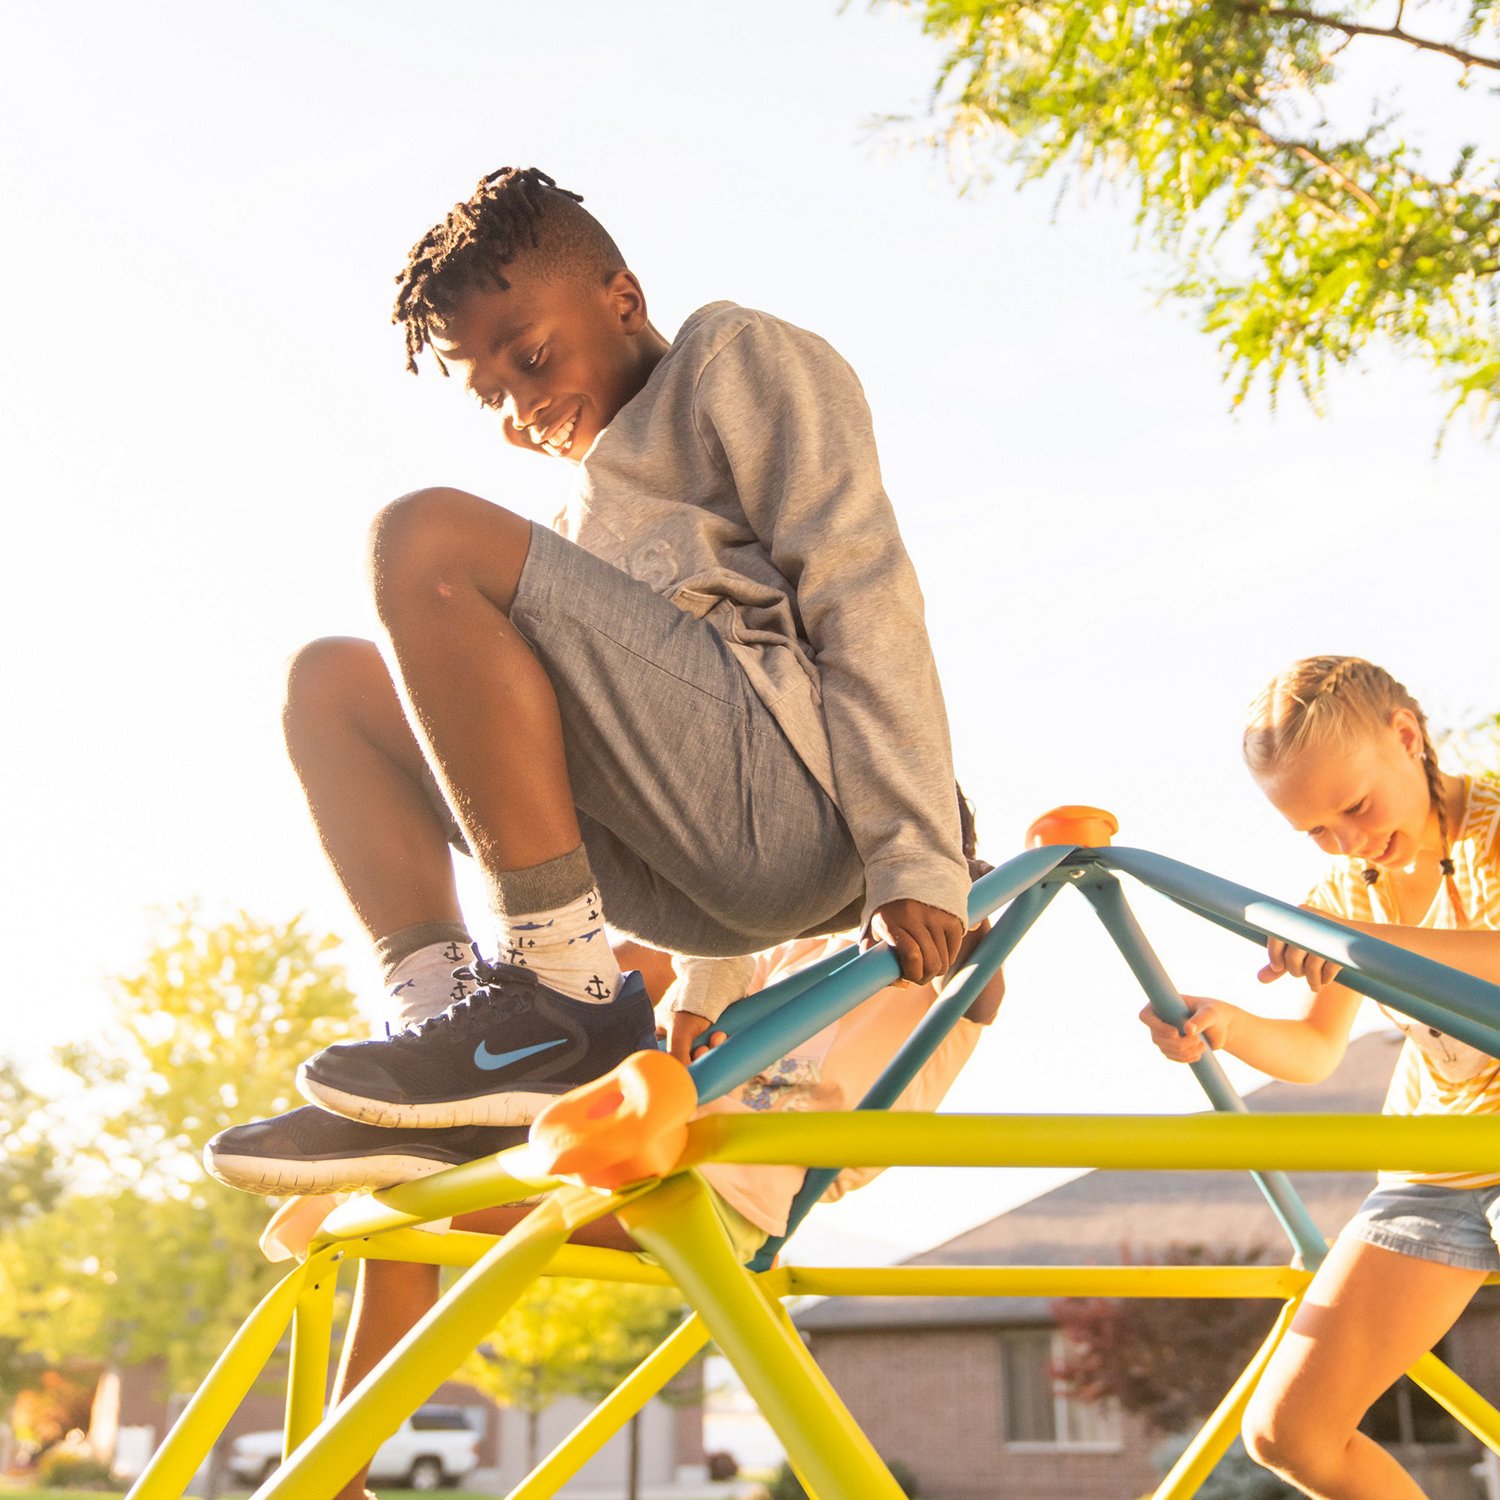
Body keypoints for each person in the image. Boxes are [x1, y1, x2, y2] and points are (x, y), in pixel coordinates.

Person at [220, 161, 970, 1180]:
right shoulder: (572, 532)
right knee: (332, 685)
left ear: (623, 300)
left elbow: (860, 588)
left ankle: (562, 999)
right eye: (492, 394)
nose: (522, 407)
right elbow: (670, 732)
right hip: (687, 877)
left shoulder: (730, 360)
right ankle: (456, 1040)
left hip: (816, 820)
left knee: (424, 539)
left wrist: (915, 854)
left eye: (531, 358)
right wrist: (710, 992)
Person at [1139, 655, 1500, 1500]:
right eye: (1316, 831)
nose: (1347, 841)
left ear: (1407, 738)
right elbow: (1314, 1048)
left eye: (1355, 807)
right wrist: (1227, 1026)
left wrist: (1362, 953)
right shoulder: (1344, 894)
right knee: (1290, 1433)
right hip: (1436, 1173)